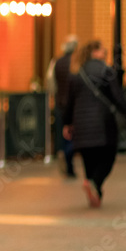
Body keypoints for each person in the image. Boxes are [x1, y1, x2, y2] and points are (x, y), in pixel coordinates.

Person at [62, 40, 126, 207]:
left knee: (89, 159)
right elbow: (118, 96)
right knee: (109, 156)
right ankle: (95, 184)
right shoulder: (106, 71)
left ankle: (93, 189)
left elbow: (69, 102)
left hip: (81, 126)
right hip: (103, 124)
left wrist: (67, 124)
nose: (105, 52)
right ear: (95, 52)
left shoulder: (76, 73)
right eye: (102, 50)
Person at [48, 36, 78, 178]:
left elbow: (51, 82)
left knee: (64, 133)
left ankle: (63, 154)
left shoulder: (57, 62)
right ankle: (68, 158)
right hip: (74, 104)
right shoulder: (76, 63)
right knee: (74, 134)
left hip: (60, 102)